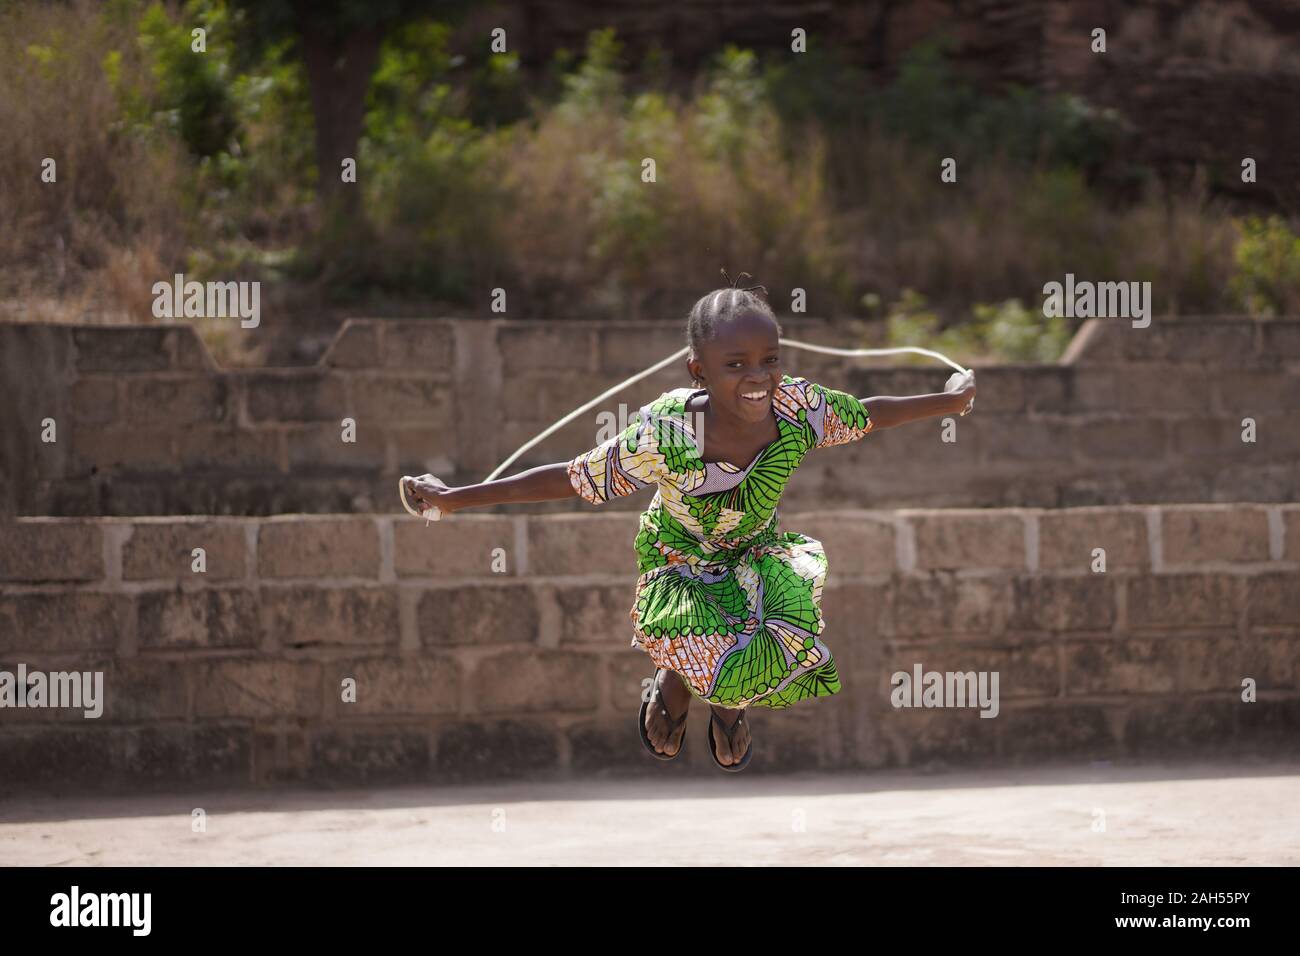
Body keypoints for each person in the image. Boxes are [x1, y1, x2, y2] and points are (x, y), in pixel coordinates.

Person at [403, 271, 976, 772]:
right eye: (736, 365)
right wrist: (456, 498)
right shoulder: (666, 431)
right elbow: (573, 478)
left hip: (753, 555)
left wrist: (948, 402)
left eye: (769, 360)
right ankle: (675, 688)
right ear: (698, 369)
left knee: (763, 644)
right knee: (704, 646)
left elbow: (869, 414)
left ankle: (724, 707)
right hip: (678, 562)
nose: (758, 377)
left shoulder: (798, 409)